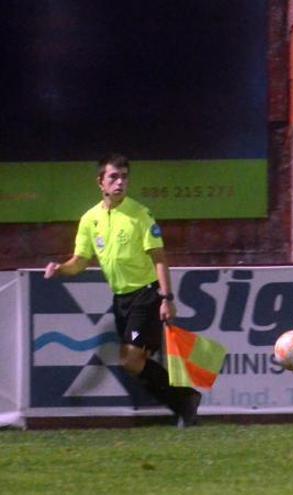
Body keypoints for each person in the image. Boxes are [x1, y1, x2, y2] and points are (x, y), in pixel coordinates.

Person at [44, 153, 201, 427]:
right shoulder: (90, 219)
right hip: (121, 299)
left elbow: (159, 258)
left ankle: (185, 400)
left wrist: (166, 298)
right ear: (100, 182)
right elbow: (79, 261)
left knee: (130, 360)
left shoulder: (140, 215)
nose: (120, 183)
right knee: (133, 362)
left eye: (124, 177)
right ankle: (184, 402)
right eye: (113, 177)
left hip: (147, 294)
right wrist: (59, 270)